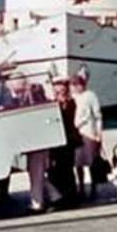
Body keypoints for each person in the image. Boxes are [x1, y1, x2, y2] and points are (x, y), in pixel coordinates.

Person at [48, 79, 81, 208]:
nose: (60, 94)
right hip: (57, 141)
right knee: (56, 171)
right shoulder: (54, 104)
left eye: (62, 91)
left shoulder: (70, 104)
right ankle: (60, 198)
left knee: (67, 170)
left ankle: (70, 197)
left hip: (68, 141)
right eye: (57, 91)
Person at [71, 74, 103, 197]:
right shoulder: (73, 97)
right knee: (78, 162)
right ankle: (81, 187)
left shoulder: (90, 96)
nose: (74, 88)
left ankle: (94, 188)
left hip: (89, 131)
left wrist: (99, 133)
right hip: (77, 133)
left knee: (91, 162)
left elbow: (97, 115)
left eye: (76, 85)